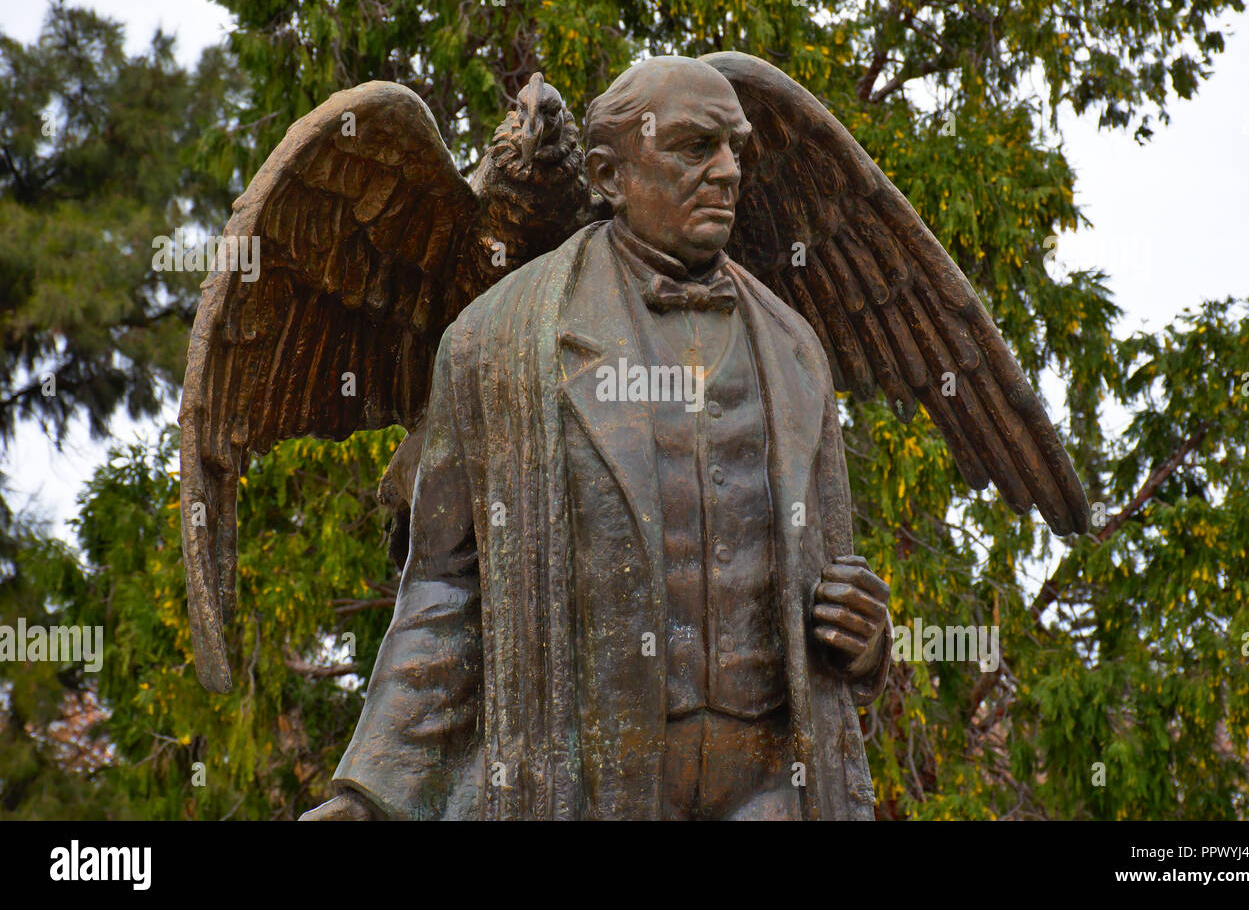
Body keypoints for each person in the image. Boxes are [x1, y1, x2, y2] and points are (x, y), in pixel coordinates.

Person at [303, 56, 892, 821]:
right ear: (610, 176)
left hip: (777, 791)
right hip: (588, 790)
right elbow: (445, 590)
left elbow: (833, 576)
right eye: (694, 147)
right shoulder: (494, 343)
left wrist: (867, 640)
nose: (727, 172)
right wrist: (374, 791)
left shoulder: (794, 349)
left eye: (736, 148)